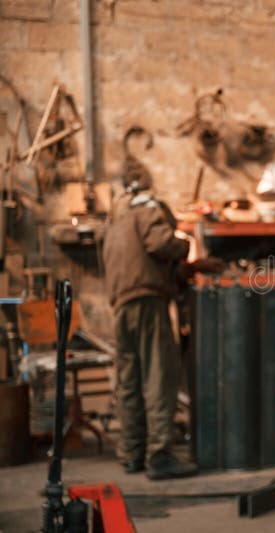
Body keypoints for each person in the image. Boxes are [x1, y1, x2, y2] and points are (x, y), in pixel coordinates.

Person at [103, 173, 198, 480]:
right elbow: (160, 244)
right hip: (147, 302)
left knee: (129, 380)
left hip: (120, 307)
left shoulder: (114, 226)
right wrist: (184, 247)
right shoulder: (149, 212)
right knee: (159, 376)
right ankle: (160, 455)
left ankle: (131, 453)